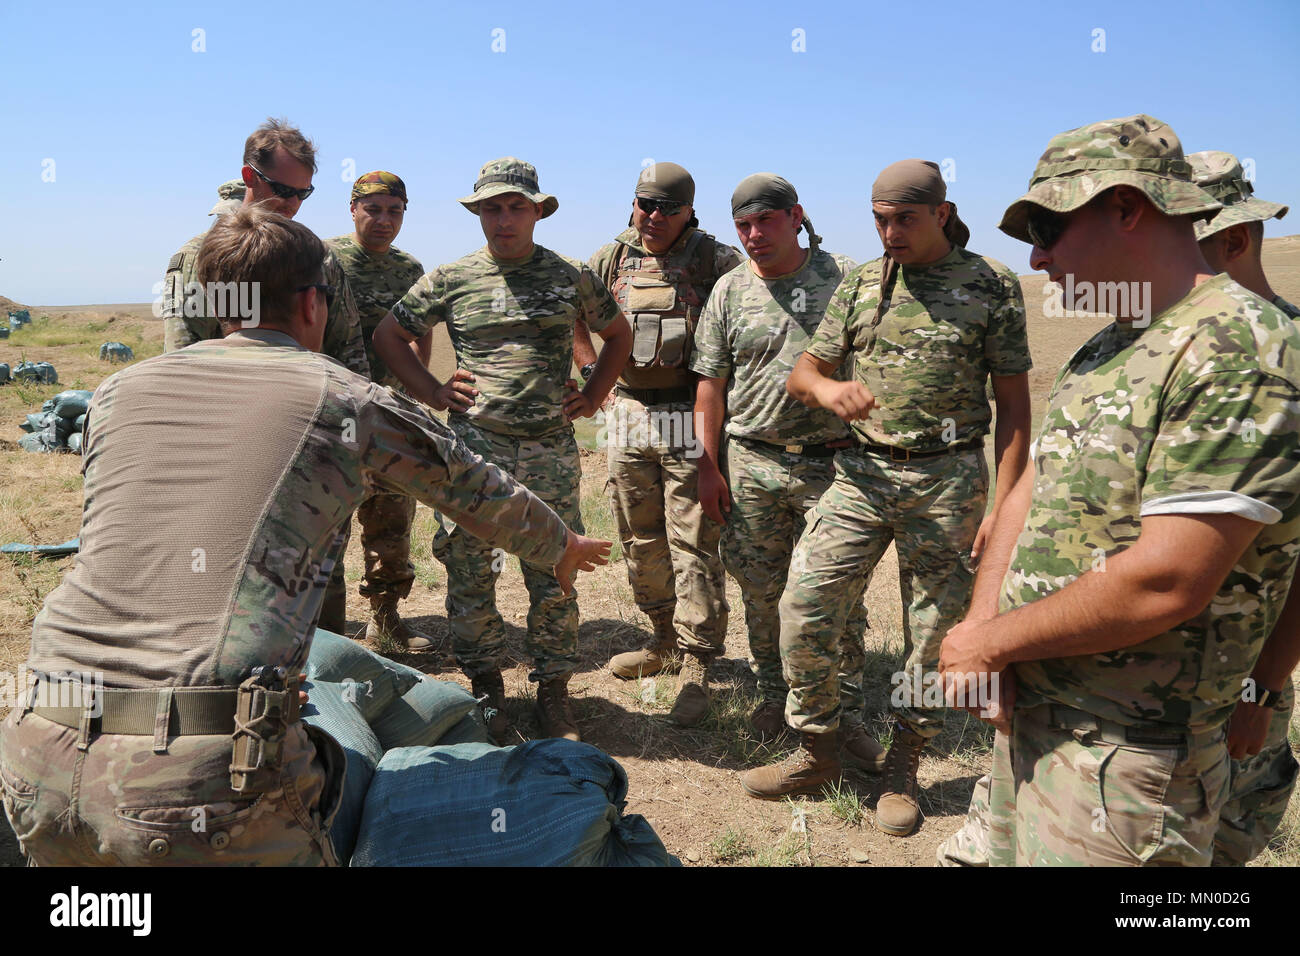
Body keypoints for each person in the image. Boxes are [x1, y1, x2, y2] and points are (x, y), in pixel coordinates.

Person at [0, 207, 610, 866]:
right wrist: (564, 547)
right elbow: (481, 494)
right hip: (198, 790)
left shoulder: (117, 392)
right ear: (316, 304)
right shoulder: (347, 401)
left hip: (35, 756)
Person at [937, 114, 1300, 866]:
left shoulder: (1242, 350)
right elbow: (1027, 495)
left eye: (1047, 228)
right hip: (1038, 716)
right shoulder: (1111, 342)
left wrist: (986, 643)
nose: (1036, 259)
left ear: (1126, 207)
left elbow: (1167, 580)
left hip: (1129, 757)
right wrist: (985, 637)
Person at [763, 160, 1032, 836]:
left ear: (941, 212)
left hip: (949, 483)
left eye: (903, 219)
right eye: (880, 219)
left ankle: (904, 763)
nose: (889, 232)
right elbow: (806, 371)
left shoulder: (991, 284)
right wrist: (828, 392)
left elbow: (1015, 408)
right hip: (862, 475)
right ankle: (819, 748)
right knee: (804, 604)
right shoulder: (861, 284)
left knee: (933, 636)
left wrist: (1003, 504)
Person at [372, 158, 632, 743]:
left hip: (548, 449)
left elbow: (619, 335)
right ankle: (486, 687)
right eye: (492, 207)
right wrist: (432, 390)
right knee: (468, 568)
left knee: (555, 568)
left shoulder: (569, 276)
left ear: (538, 211)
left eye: (517, 206)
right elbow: (389, 333)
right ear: (478, 213)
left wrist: (593, 395)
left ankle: (553, 692)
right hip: (474, 451)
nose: (504, 219)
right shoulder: (452, 277)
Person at [690, 173, 877, 760]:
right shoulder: (728, 291)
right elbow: (710, 386)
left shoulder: (846, 278)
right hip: (752, 461)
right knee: (760, 587)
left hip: (835, 464)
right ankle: (775, 693)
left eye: (764, 222)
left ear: (795, 216)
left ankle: (841, 706)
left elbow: (879, 361)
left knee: (835, 592)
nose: (753, 236)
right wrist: (707, 465)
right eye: (742, 226)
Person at [160, 117, 368, 634]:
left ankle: (324, 690)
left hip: (308, 443)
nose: (293, 206)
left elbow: (350, 352)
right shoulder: (194, 259)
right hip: (228, 448)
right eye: (282, 191)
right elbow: (181, 368)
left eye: (304, 194)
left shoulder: (319, 259)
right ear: (248, 176)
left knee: (319, 580)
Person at [575, 162, 741, 724]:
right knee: (638, 534)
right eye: (646, 204)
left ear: (690, 210)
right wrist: (589, 371)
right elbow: (576, 308)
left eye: (668, 208)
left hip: (687, 411)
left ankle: (699, 662)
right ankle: (662, 636)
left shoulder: (716, 261)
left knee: (694, 539)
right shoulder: (611, 257)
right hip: (627, 413)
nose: (655, 216)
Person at [1189, 149, 1298, 866]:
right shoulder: (1176, 348)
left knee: (1221, 845)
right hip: (1162, 680)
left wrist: (1264, 685)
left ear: (1233, 240)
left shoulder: (1285, 356)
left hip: (1247, 668)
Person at [326, 171, 437, 651]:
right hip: (332, 414)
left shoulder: (409, 268)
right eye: (373, 209)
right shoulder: (324, 259)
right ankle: (322, 631)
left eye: (395, 210)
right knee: (325, 523)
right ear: (353, 209)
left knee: (390, 522)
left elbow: (422, 328)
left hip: (389, 415)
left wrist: (413, 390)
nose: (384, 220)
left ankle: (386, 619)